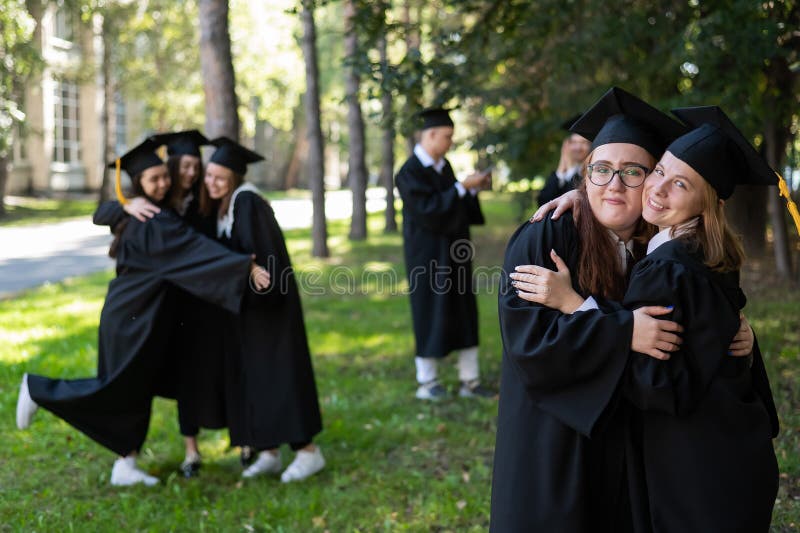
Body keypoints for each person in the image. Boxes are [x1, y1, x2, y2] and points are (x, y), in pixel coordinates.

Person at [490, 87, 754, 532]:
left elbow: (691, 336)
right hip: (554, 446)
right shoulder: (546, 236)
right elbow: (532, 345)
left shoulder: (657, 251)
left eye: (633, 172)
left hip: (627, 450)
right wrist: (621, 330)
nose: (614, 185)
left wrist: (742, 333)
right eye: (601, 170)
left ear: (651, 181)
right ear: (584, 174)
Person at [15, 139, 268, 486]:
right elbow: (192, 249)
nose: (163, 183)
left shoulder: (151, 212)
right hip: (132, 317)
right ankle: (39, 389)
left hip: (142, 316)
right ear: (138, 186)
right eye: (154, 180)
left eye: (164, 176)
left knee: (135, 390)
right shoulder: (151, 219)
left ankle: (126, 465)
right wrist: (244, 267)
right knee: (117, 387)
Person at [199, 137, 324, 482]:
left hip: (270, 311)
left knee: (278, 377)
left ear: (236, 178)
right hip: (248, 312)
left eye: (221, 177)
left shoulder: (247, 203)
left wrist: (246, 273)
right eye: (209, 175)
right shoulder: (225, 205)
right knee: (254, 379)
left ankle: (307, 452)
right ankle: (268, 450)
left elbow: (265, 261)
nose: (212, 182)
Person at [395, 107, 494, 400]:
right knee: (429, 312)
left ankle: (470, 380)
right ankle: (427, 381)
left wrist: (471, 191)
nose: (450, 142)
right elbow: (430, 211)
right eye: (447, 136)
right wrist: (461, 187)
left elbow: (455, 206)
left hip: (455, 253)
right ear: (431, 135)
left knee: (463, 310)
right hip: (427, 257)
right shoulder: (409, 172)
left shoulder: (444, 166)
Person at [537, 114, 591, 205]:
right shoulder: (559, 175)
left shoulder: (593, 173)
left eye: (583, 142)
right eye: (573, 142)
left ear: (590, 146)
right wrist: (561, 169)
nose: (578, 148)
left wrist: (570, 169)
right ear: (566, 146)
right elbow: (543, 203)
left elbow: (576, 204)